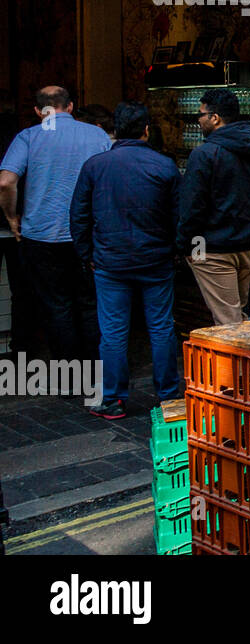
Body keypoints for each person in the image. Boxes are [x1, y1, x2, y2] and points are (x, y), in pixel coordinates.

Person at [69, 103, 180, 417]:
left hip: (110, 262)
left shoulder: (95, 166)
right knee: (161, 328)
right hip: (156, 260)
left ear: (114, 130)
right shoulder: (165, 166)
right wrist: (174, 249)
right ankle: (169, 398)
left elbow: (78, 216)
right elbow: (178, 217)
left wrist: (86, 254)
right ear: (146, 129)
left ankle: (113, 399)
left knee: (114, 331)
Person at [0, 86, 111, 361]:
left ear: (38, 111)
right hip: (86, 234)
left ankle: (70, 377)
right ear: (71, 107)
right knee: (89, 303)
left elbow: (6, 182)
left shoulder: (28, 136)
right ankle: (95, 373)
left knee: (56, 305)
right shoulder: (96, 134)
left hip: (41, 236)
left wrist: (12, 219)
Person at [177, 89, 250, 327]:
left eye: (201, 114)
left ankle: (240, 365)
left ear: (215, 118)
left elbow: (192, 207)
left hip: (212, 249)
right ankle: (248, 362)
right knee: (237, 316)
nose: (199, 120)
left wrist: (185, 245)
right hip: (249, 246)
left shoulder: (204, 153)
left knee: (228, 323)